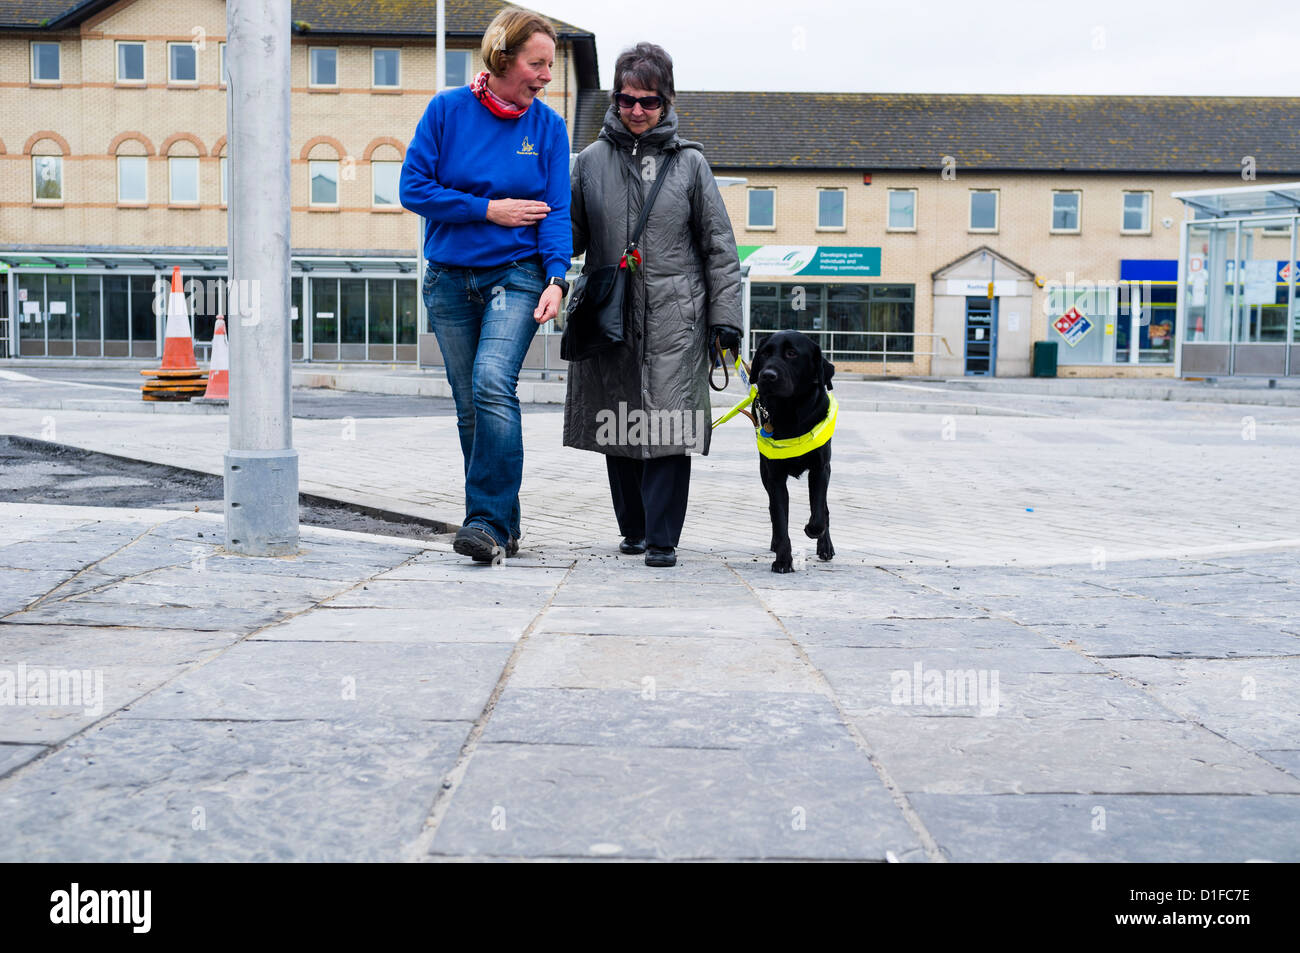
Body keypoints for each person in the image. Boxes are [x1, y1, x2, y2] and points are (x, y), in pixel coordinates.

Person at [400, 8, 572, 562]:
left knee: (493, 382)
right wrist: (486, 210)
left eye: (550, 65)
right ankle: (504, 523)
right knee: (471, 405)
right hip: (449, 279)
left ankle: (486, 524)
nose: (547, 75)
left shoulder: (548, 126)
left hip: (518, 275)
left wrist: (557, 277)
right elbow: (413, 189)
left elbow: (556, 212)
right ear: (503, 59)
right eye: (537, 63)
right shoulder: (446, 111)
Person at [565, 42, 743, 568]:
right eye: (626, 99)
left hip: (676, 318)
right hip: (610, 312)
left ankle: (663, 538)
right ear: (615, 99)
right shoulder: (590, 162)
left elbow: (720, 247)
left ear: (666, 100)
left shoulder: (691, 164)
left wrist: (724, 321)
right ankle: (634, 529)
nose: (636, 110)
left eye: (648, 101)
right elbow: (569, 235)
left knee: (668, 423)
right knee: (617, 419)